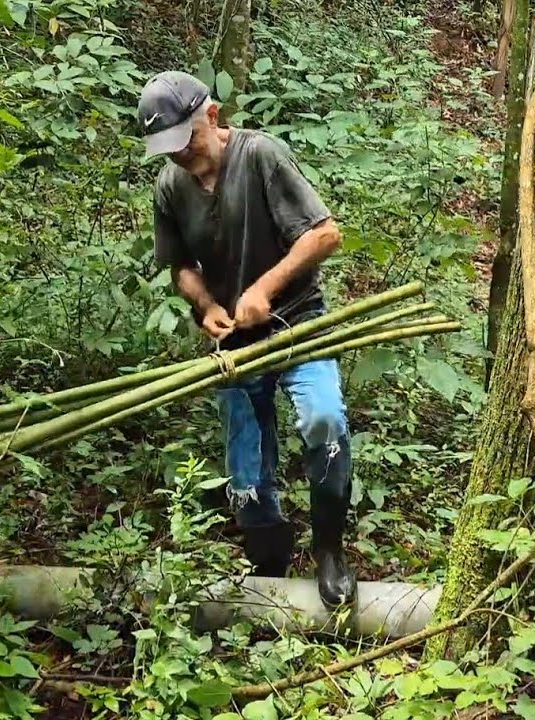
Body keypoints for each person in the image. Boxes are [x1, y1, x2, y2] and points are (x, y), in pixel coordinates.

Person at [137, 70, 356, 608]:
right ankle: (268, 562)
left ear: (211, 116)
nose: (180, 155)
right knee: (246, 464)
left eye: (186, 139)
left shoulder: (261, 156)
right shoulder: (170, 186)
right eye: (168, 148)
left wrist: (264, 288)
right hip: (234, 340)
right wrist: (208, 306)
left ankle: (330, 551)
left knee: (324, 420)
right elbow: (181, 268)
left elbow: (325, 234)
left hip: (297, 321)